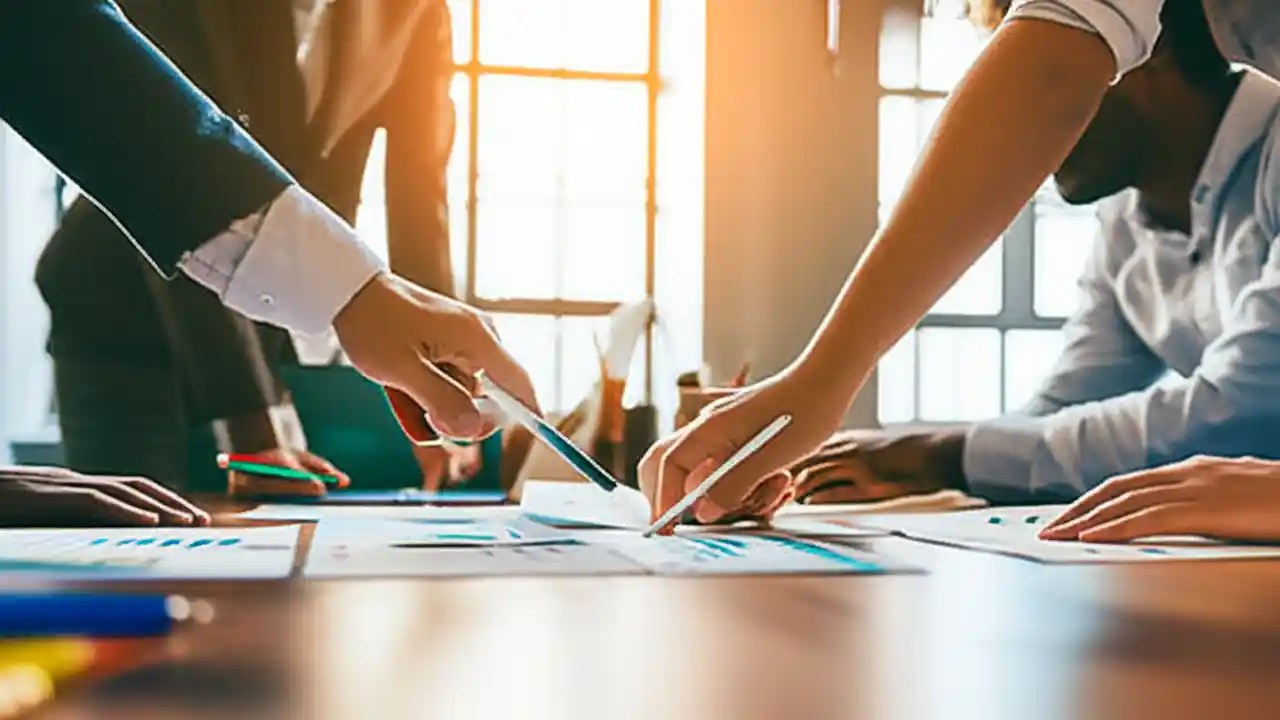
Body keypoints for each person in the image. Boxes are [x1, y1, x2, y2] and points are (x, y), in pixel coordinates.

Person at [639, 0, 1280, 526]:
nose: (1029, 148)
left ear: (1143, 55)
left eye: (1008, 46)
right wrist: (878, 459)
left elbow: (1238, 417)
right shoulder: (1125, 225)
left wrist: (923, 444)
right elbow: (1062, 408)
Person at [0, 0, 537, 526]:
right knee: (133, 546)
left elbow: (420, 194)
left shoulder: (417, 9)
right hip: (121, 315)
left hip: (259, 302)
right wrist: (253, 427)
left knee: (261, 559)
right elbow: (156, 148)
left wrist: (434, 387)